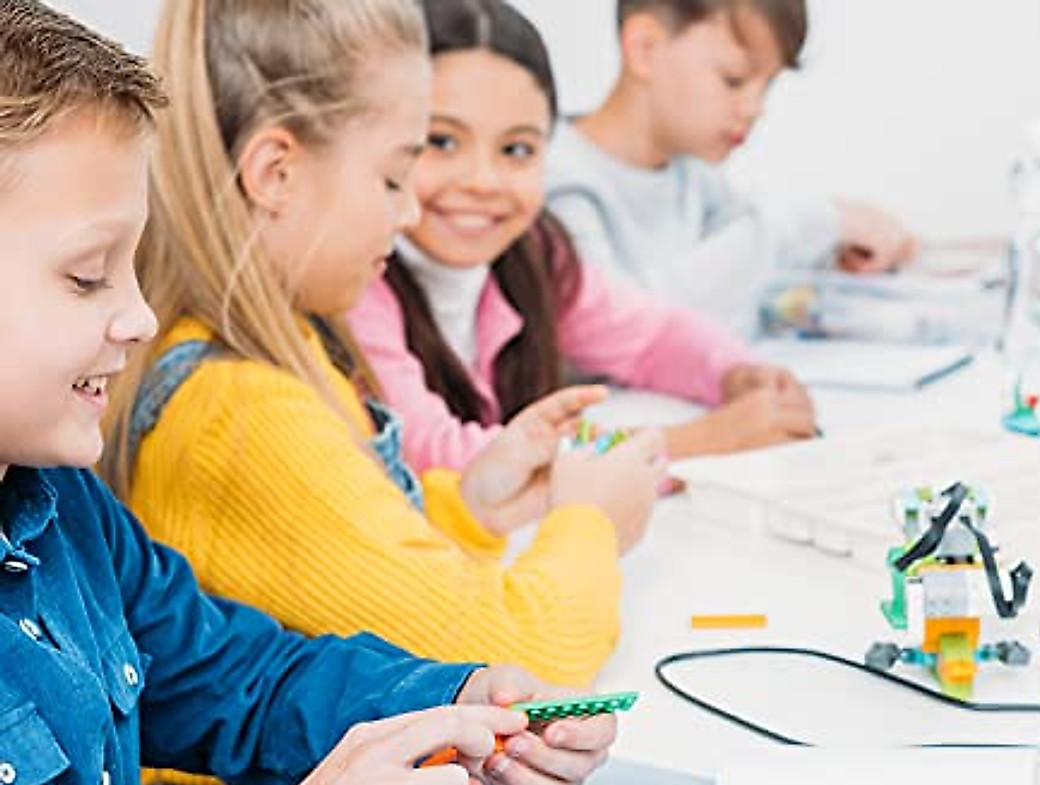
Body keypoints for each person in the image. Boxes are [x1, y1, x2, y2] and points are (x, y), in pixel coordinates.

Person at [0, 4, 615, 785]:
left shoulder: (61, 509)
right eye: (87, 275)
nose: (133, 314)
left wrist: (455, 699)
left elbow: (243, 675)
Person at [105, 0, 666, 694]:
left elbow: (346, 546)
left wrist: (474, 506)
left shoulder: (287, 344)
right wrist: (593, 523)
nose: (408, 213)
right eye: (394, 176)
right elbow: (521, 659)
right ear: (276, 172)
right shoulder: (242, 414)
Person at [348, 0, 819, 473]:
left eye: (517, 149)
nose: (483, 181)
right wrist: (699, 441)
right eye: (442, 142)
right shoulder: (357, 283)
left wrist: (737, 374)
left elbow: (652, 337)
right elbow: (432, 456)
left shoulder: (533, 255)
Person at [546, 0, 919, 336]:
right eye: (734, 80)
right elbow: (619, 329)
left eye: (767, 85)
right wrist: (814, 221)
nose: (755, 108)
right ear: (645, 48)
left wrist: (836, 258)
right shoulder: (555, 179)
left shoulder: (693, 176)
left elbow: (746, 280)